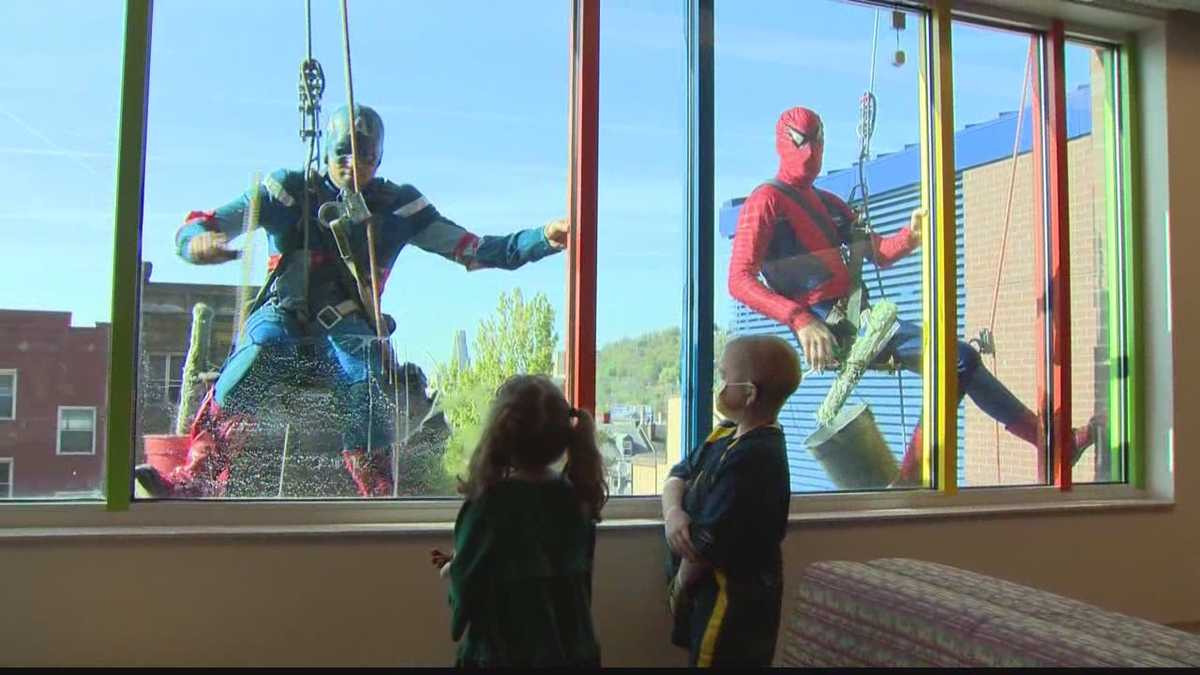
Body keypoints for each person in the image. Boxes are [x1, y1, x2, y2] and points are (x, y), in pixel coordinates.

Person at [136, 104, 569, 498]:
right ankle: (201, 473)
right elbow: (203, 225)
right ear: (326, 152)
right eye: (343, 154)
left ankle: (375, 480)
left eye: (364, 157)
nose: (352, 166)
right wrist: (200, 244)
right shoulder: (287, 192)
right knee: (258, 351)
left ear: (378, 159)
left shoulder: (397, 208)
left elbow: (472, 248)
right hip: (282, 315)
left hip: (346, 322)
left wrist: (541, 240)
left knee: (364, 375)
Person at [727, 105, 1097, 485]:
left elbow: (880, 252)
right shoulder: (766, 200)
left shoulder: (829, 205)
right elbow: (739, 278)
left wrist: (911, 235)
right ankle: (914, 478)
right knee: (958, 361)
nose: (811, 151)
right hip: (829, 327)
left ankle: (1047, 444)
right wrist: (799, 318)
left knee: (960, 364)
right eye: (801, 141)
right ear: (783, 142)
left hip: (861, 320)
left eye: (818, 140)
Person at [430, 375, 605, 668]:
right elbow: (575, 581)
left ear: (499, 434)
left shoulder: (489, 505)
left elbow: (467, 585)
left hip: (503, 655)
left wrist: (452, 568)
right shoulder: (578, 498)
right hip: (575, 653)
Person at [662, 335, 801, 667]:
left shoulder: (757, 457)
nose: (719, 386)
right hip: (706, 600)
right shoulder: (725, 433)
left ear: (750, 393)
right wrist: (673, 513)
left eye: (724, 378)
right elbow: (676, 476)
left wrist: (680, 586)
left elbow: (706, 544)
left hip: (732, 607)